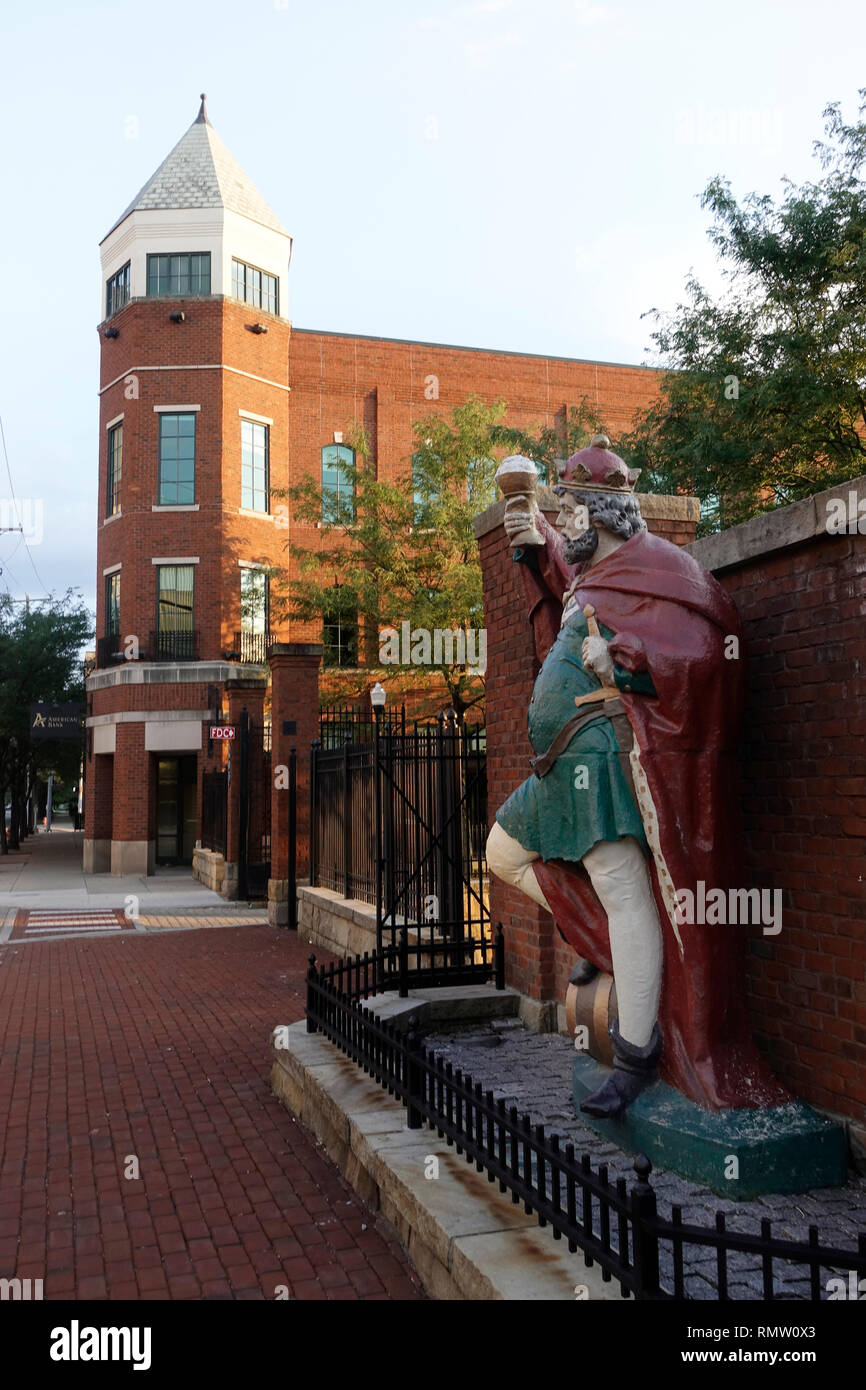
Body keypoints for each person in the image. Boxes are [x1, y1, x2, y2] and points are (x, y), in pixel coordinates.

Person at [487, 437, 789, 1115]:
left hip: (610, 758)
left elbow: (706, 656)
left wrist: (620, 661)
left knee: (626, 890)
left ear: (598, 512)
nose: (563, 524)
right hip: (559, 762)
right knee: (502, 854)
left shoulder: (665, 570)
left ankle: (636, 1050)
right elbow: (567, 579)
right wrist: (532, 536)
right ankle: (606, 945)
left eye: (567, 510)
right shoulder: (595, 573)